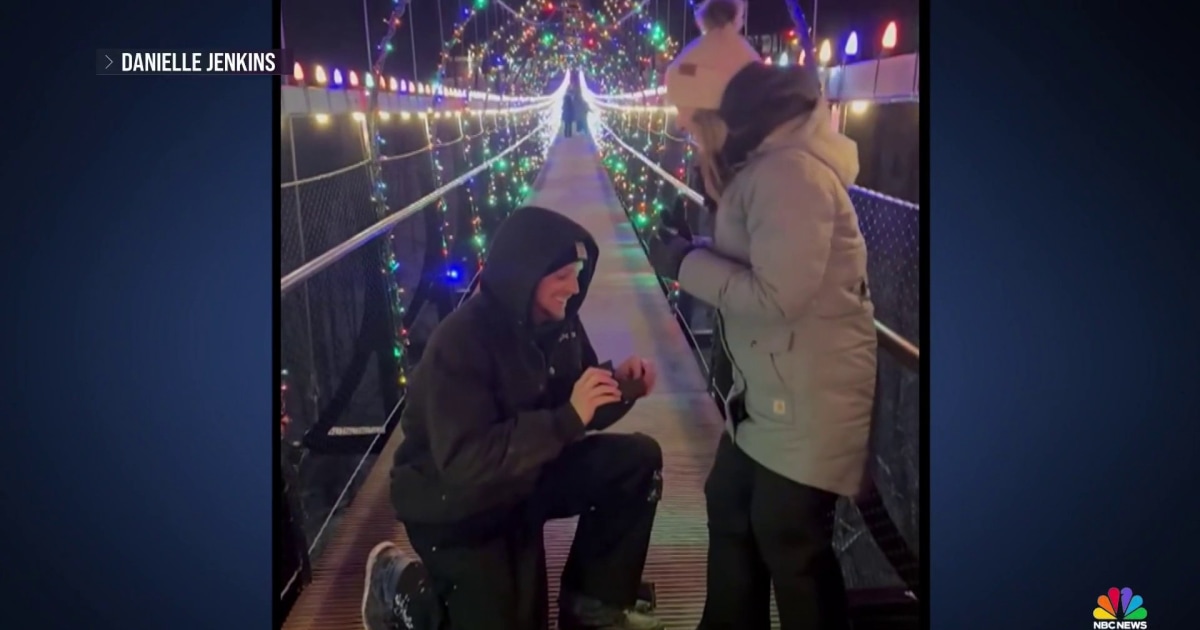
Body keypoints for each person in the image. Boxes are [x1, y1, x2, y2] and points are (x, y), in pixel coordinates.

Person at [647, 0, 878, 628]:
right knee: (730, 505)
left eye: (692, 119)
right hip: (771, 392)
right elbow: (763, 263)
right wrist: (693, 247)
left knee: (789, 540)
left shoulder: (789, 176)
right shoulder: (764, 167)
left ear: (725, 114)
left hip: (806, 398)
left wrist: (683, 264)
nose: (686, 130)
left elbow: (778, 297)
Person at [363, 205, 666, 630]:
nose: (574, 286)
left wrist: (618, 386)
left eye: (577, 273)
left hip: (523, 478)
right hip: (455, 504)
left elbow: (574, 405)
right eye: (562, 277)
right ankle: (399, 582)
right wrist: (566, 418)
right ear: (524, 276)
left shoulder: (559, 324)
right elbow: (466, 460)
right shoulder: (461, 341)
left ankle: (594, 604)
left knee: (636, 462)